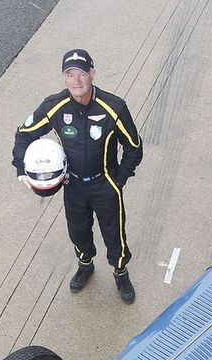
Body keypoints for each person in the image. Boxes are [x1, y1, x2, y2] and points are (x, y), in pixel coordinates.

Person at [12, 49, 144, 304]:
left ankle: (120, 271)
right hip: (72, 186)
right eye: (69, 74)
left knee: (114, 234)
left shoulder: (114, 107)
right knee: (78, 231)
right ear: (64, 78)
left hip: (105, 185)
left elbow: (134, 147)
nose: (76, 80)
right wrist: (21, 168)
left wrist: (119, 178)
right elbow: (24, 134)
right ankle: (85, 265)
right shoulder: (54, 106)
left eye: (82, 73)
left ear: (92, 74)